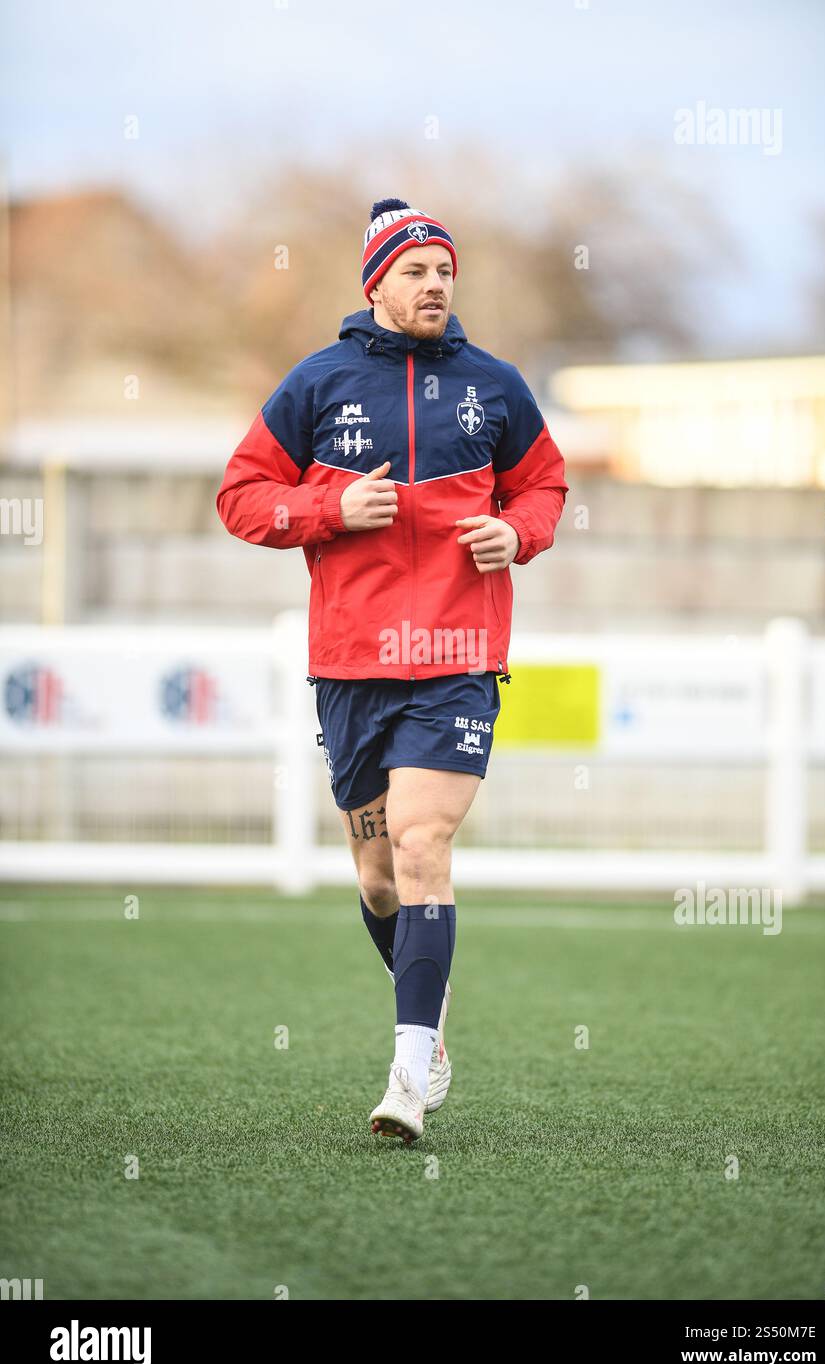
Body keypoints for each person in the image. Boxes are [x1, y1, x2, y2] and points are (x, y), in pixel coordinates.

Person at [217, 197, 568, 1143]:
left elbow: (543, 484)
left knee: (420, 847)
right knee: (377, 879)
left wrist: (518, 531)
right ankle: (430, 1015)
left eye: (445, 270)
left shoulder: (495, 385)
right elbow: (241, 497)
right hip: (352, 666)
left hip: (456, 660)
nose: (435, 284)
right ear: (376, 283)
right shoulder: (317, 382)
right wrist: (331, 511)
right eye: (415, 271)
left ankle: (409, 1072)